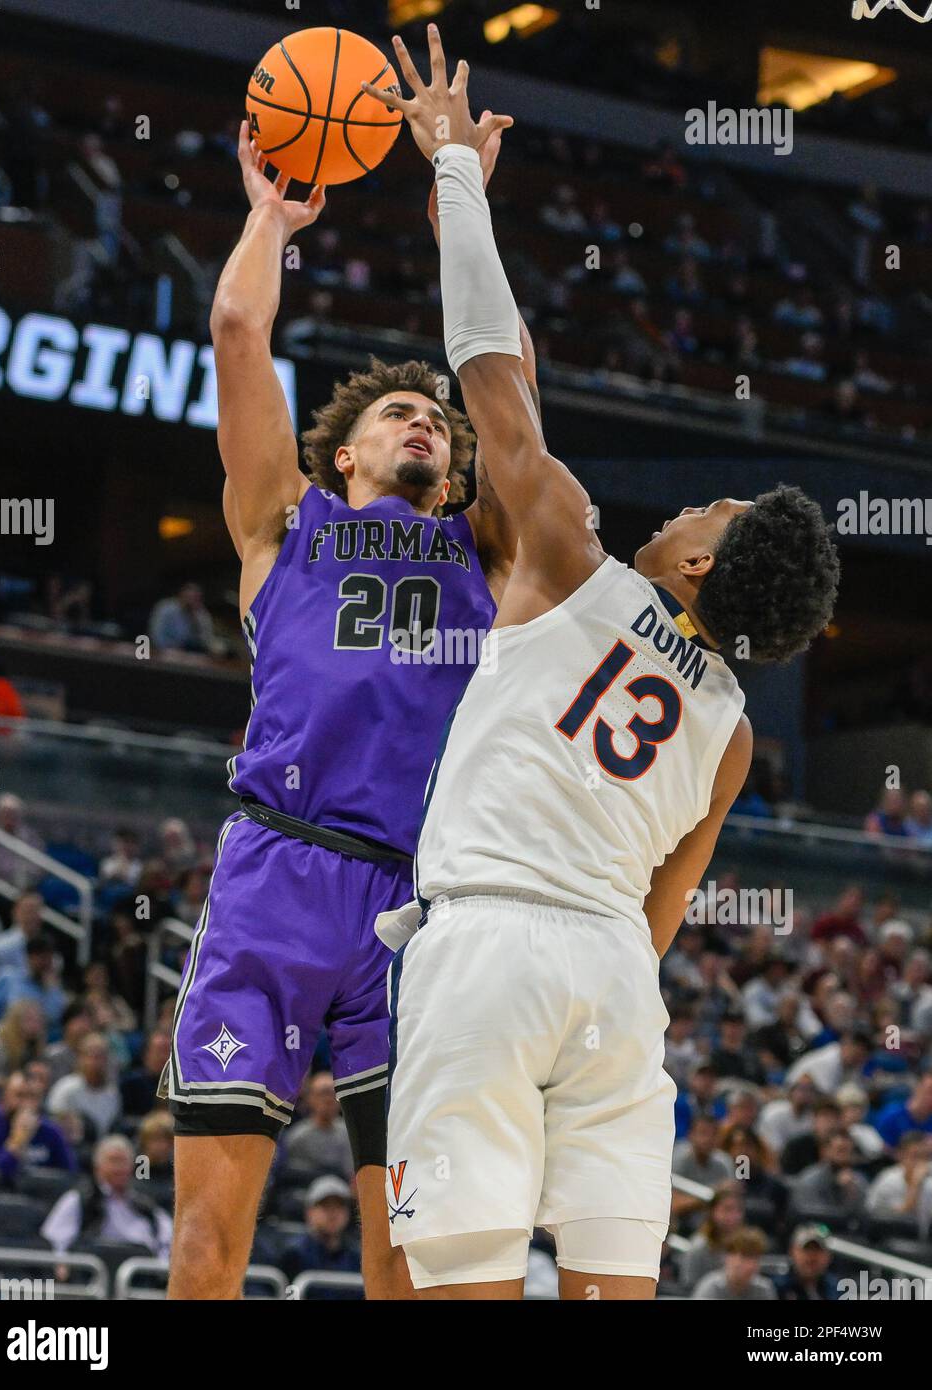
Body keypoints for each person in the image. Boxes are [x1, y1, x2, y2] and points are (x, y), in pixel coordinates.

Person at [371, 25, 839, 1301]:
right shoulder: (736, 731)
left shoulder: (574, 553)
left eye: (717, 510)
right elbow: (663, 914)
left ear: (695, 566)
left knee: (459, 1281)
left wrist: (455, 175)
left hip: (490, 948)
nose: (697, 509)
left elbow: (489, 374)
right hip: (616, 985)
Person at [160, 101, 539, 1303]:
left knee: (405, 1260)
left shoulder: (486, 551)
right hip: (277, 871)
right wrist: (272, 215)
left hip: (419, 913)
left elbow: (510, 391)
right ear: (345, 457)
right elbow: (233, 323)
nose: (426, 418)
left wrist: (461, 213)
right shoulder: (286, 524)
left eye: (435, 416)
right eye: (397, 413)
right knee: (208, 1244)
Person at [41, 1134, 172, 1258]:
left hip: (138, 1276)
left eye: (124, 1162)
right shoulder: (79, 1200)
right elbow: (54, 1240)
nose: (119, 1168)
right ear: (97, 1166)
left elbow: (168, 1239)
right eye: (113, 1161)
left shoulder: (145, 1204)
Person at [0, 1071, 77, 1185]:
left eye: (33, 1097)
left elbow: (69, 1176)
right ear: (3, 1098)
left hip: (41, 1198)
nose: (26, 1104)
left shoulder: (51, 1131)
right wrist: (16, 1143)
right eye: (20, 1095)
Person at [280, 1175, 361, 1292]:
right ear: (309, 1212)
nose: (333, 1213)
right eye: (325, 1205)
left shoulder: (357, 1258)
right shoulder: (293, 1255)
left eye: (339, 1205)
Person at [46, 1034, 122, 1139]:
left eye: (101, 1056)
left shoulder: (112, 1093)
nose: (96, 1062)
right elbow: (53, 1124)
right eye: (92, 1056)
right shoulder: (65, 1088)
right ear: (80, 1058)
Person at [284, 1071, 353, 1181]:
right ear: (310, 1098)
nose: (328, 1100)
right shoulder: (297, 1136)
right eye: (323, 1093)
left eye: (333, 1093)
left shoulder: (350, 1135)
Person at [691, 1227, 777, 1300]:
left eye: (756, 1258)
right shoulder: (711, 1287)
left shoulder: (764, 1289)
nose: (751, 1265)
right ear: (728, 1257)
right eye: (745, 1257)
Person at [773, 1223, 841, 1301]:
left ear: (828, 1256)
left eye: (818, 1250)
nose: (812, 1256)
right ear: (792, 1251)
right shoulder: (776, 1288)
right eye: (807, 1249)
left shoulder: (836, 1288)